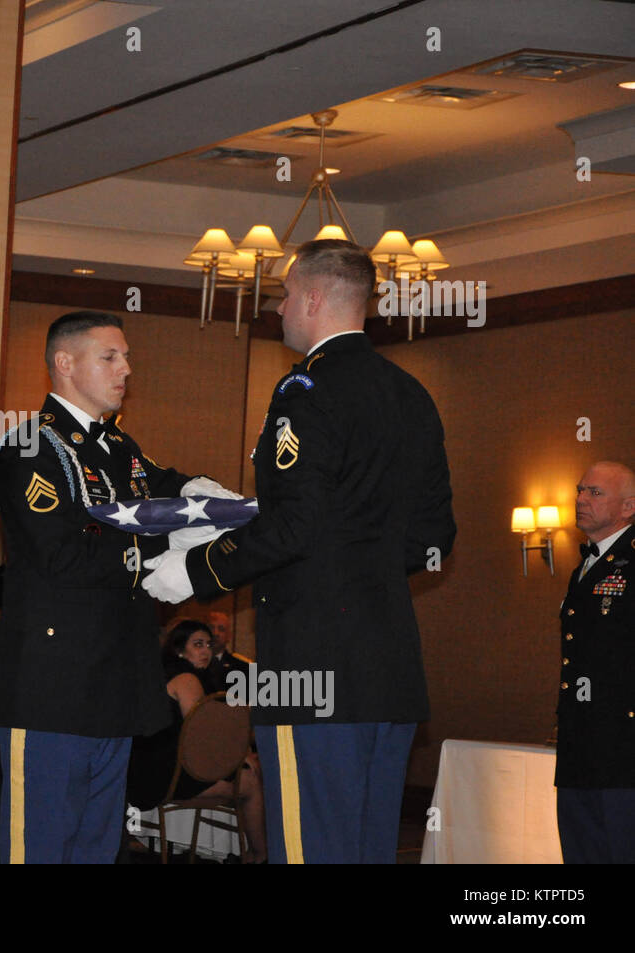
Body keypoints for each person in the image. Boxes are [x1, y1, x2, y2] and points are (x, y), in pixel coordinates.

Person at [144, 238, 456, 864]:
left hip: (310, 667)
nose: (281, 307)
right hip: (387, 669)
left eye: (286, 294)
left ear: (313, 297)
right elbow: (433, 539)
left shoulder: (305, 392)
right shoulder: (411, 394)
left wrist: (195, 569)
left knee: (311, 848)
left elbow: (295, 529)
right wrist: (350, 565)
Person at [0, 310, 193, 863]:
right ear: (65, 363)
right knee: (41, 846)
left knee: (97, 849)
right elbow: (62, 554)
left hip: (116, 681)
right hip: (52, 688)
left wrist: (211, 502)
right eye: (111, 356)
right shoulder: (31, 447)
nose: (126, 368)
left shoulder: (121, 448)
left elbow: (169, 488)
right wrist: (161, 544)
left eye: (125, 357)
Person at [126, 620, 267, 863]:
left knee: (246, 774)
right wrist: (240, 755)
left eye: (208, 645)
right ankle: (260, 854)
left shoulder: (171, 674)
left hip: (153, 771)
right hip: (163, 775)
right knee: (252, 782)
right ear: (180, 650)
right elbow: (204, 735)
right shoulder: (186, 678)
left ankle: (241, 852)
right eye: (197, 644)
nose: (205, 651)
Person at [556, 460, 635, 863]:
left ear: (629, 507)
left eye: (595, 492)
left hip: (622, 752)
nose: (581, 499)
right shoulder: (585, 568)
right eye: (580, 490)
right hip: (579, 747)